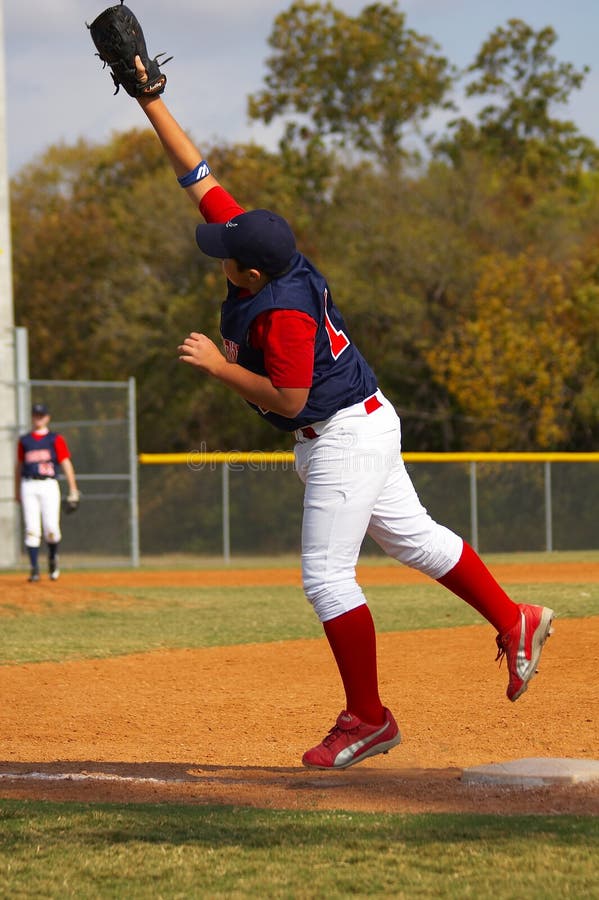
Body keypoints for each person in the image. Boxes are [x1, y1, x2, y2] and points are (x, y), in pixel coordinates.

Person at [129, 60, 554, 770]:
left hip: (341, 433)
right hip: (361, 418)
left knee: (326, 577)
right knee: (415, 539)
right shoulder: (268, 252)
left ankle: (368, 718)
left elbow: (289, 399)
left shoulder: (286, 312)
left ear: (253, 273)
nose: (219, 255)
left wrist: (219, 367)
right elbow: (194, 172)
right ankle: (515, 618)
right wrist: (150, 100)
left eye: (227, 256)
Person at [15, 403, 80, 582]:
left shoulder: (54, 439)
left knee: (51, 528)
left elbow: (65, 463)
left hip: (49, 485)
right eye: (36, 414)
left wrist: (73, 489)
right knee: (31, 529)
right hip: (28, 485)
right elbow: (19, 466)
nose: (38, 418)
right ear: (32, 416)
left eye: (41, 415)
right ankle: (34, 568)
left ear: (48, 417)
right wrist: (16, 490)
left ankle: (53, 558)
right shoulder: (24, 440)